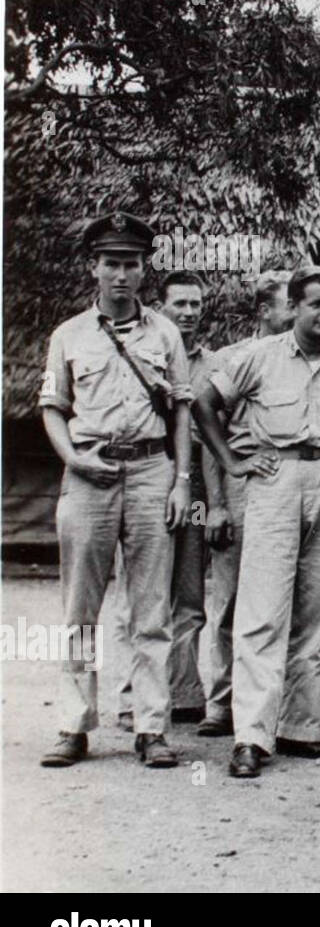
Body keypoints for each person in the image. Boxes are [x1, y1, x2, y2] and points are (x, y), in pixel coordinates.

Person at [193, 265, 320, 778]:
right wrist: (232, 461)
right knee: (263, 608)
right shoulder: (259, 357)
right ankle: (252, 735)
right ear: (293, 306)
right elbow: (204, 404)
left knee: (319, 611)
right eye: (315, 303)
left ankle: (303, 727)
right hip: (275, 479)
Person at [38, 212, 193, 769]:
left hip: (151, 470)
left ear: (144, 268)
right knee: (81, 608)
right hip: (88, 473)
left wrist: (181, 482)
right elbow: (53, 409)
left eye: (131, 263)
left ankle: (151, 728)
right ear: (93, 268)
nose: (121, 275)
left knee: (151, 609)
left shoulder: (165, 333)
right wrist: (73, 457)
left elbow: (180, 410)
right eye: (111, 264)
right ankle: (74, 725)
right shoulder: (69, 335)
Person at [195, 271, 294, 737]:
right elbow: (206, 432)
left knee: (284, 597)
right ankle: (222, 700)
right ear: (264, 312)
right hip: (244, 485)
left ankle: (288, 708)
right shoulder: (232, 359)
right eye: (288, 304)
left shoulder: (313, 358)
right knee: (231, 597)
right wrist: (217, 502)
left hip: (288, 484)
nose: (297, 312)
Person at [155, 271, 217, 724]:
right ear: (161, 306)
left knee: (190, 587)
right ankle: (132, 694)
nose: (189, 313)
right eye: (179, 304)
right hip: (147, 472)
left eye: (196, 304)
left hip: (194, 480)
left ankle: (184, 691)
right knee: (143, 589)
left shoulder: (214, 365)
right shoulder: (147, 354)